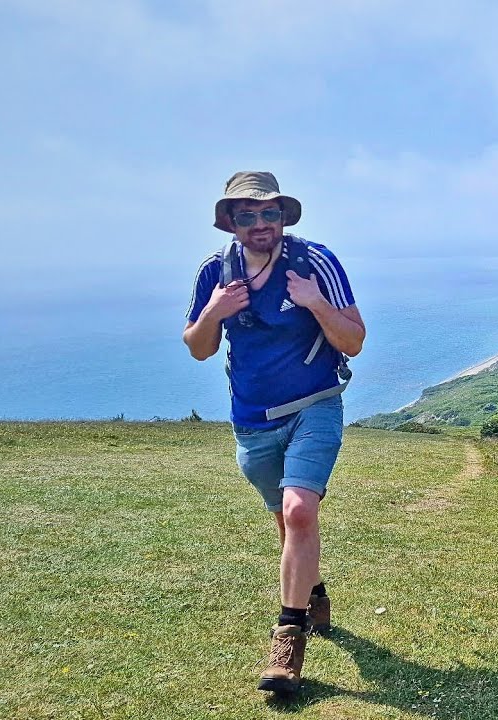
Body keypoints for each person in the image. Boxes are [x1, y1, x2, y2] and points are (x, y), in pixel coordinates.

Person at [183, 171, 366, 694]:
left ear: (284, 216)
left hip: (315, 404)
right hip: (253, 420)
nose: (260, 222)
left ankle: (287, 641)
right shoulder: (215, 271)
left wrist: (314, 302)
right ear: (231, 222)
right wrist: (214, 312)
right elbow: (198, 348)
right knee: (286, 520)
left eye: (269, 212)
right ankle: (314, 592)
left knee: (299, 510)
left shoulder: (315, 263)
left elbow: (353, 340)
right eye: (248, 214)